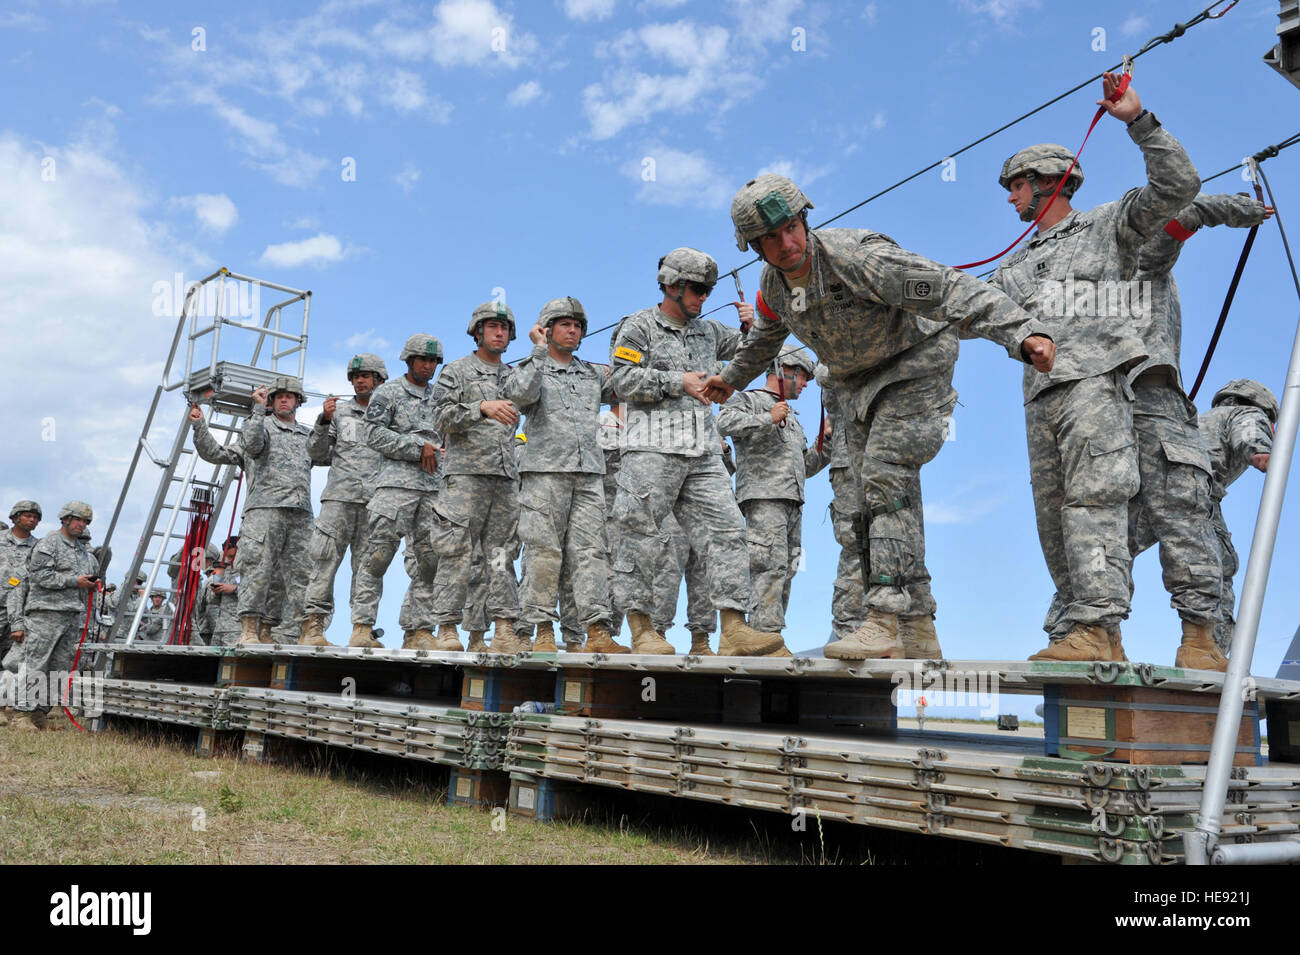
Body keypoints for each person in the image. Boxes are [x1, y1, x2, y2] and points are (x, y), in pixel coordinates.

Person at [705, 174, 1053, 660]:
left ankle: (884, 617)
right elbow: (766, 335)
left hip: (917, 362)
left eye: (791, 229)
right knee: (878, 502)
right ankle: (919, 626)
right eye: (769, 238)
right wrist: (732, 378)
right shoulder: (773, 284)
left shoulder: (857, 258)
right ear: (754, 247)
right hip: (856, 382)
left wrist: (1021, 333)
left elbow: (949, 289)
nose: (786, 244)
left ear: (805, 220)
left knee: (886, 478)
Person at [989, 72, 1200, 663]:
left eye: (1016, 186)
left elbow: (1180, 186)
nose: (1011, 198)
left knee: (1095, 502)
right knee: (1053, 520)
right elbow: (968, 309)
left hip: (1096, 385)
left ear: (1048, 183)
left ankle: (1101, 628)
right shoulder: (1014, 264)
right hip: (1041, 399)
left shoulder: (1110, 223)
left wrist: (1138, 120)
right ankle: (1080, 629)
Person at [610, 247, 790, 656]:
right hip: (651, 448)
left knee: (727, 530)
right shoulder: (639, 327)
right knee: (640, 535)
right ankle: (641, 630)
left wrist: (755, 326)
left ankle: (733, 628)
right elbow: (621, 380)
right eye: (696, 289)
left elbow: (755, 350)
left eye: (708, 291)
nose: (703, 298)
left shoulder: (709, 332)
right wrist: (679, 382)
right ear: (671, 285)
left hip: (704, 452)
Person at [505, 298, 628, 653]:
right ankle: (542, 630)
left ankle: (597, 632)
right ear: (546, 329)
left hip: (589, 474)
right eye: (564, 325)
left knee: (592, 552)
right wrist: (538, 349)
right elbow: (520, 395)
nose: (573, 331)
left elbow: (629, 384)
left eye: (577, 326)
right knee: (544, 552)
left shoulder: (591, 373)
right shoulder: (531, 367)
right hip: (544, 472)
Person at [430, 304, 527, 653]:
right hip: (465, 478)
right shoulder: (455, 372)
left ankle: (500, 629)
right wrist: (480, 408)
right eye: (492, 327)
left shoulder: (515, 377)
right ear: (477, 332)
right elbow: (439, 418)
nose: (499, 333)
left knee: (501, 556)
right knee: (456, 554)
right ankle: (447, 628)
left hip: (503, 480)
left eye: (504, 328)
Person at [191, 376, 315, 645]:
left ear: (298, 401)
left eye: (289, 396)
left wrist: (329, 420)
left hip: (300, 513)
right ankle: (248, 629)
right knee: (257, 571)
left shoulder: (307, 436)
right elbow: (218, 452)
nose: (284, 399)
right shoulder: (257, 429)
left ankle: (289, 629)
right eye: (278, 396)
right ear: (271, 401)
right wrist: (200, 425)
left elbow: (329, 454)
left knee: (299, 575)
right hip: (264, 511)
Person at [717, 347, 830, 639]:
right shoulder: (750, 399)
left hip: (792, 501)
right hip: (764, 499)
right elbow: (724, 422)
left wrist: (825, 441)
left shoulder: (791, 415)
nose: (805, 385)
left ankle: (769, 634)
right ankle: (765, 635)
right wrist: (767, 417)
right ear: (784, 371)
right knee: (767, 566)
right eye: (803, 377)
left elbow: (804, 466)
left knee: (785, 570)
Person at [359, 335, 448, 650]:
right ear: (409, 360)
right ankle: (362, 627)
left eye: (433, 361)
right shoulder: (389, 393)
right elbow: (372, 433)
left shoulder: (442, 396)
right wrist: (416, 446)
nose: (428, 366)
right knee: (378, 556)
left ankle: (420, 630)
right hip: (395, 486)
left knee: (429, 561)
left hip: (433, 489)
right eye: (423, 360)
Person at [301, 353, 388, 646]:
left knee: (369, 566)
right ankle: (313, 628)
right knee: (324, 561)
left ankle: (362, 629)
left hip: (375, 502)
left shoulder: (390, 413)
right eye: (355, 377)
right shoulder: (338, 413)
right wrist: (323, 420)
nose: (359, 381)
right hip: (339, 500)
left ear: (379, 379)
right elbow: (316, 454)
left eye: (365, 376)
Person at [1197, 380, 1276, 652]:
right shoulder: (1249, 415)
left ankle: (1076, 631)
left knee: (1110, 554)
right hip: (1196, 492)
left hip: (1147, 488)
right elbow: (1256, 447)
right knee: (1221, 567)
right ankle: (1211, 650)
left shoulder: (1198, 418)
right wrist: (1266, 452)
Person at [11, 501, 98, 731]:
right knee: (35, 664)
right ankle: (21, 714)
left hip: (71, 614)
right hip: (45, 613)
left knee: (60, 667)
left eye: (86, 521)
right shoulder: (49, 542)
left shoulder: (80, 549)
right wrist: (73, 581)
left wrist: (89, 584)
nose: (82, 524)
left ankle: (40, 712)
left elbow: (80, 577)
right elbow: (39, 576)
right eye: (78, 519)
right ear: (65, 519)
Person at [0, 501, 40, 663]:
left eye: (36, 518)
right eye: (28, 516)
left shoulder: (39, 547)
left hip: (20, 612)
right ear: (16, 517)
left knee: (12, 661)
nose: (32, 520)